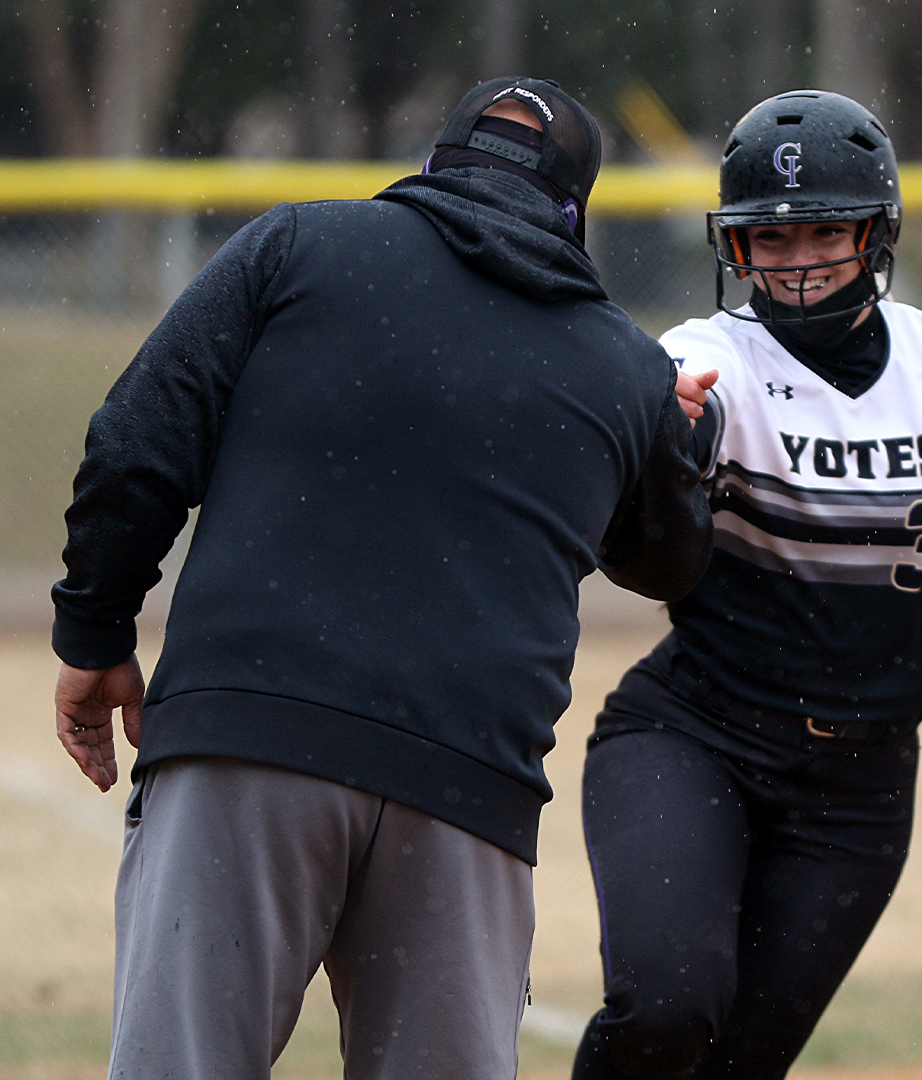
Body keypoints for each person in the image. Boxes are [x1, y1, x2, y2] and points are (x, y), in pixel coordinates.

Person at [49, 76, 712, 1080]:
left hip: (249, 740)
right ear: (576, 216)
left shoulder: (300, 245)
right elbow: (667, 560)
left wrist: (94, 633)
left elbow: (136, 445)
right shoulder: (624, 367)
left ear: (434, 168)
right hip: (465, 789)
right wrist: (672, 439)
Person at [571, 90, 922, 1080]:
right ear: (735, 248)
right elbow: (644, 490)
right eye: (771, 238)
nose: (796, 261)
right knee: (668, 1008)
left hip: (861, 788)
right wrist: (660, 434)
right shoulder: (702, 359)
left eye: (822, 232)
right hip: (694, 738)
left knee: (739, 1061)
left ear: (875, 231)